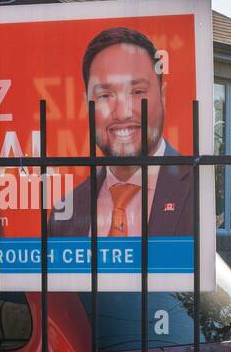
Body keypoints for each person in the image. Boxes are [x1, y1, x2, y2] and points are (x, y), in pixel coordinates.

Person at [51, 27, 193, 237]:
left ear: (163, 96)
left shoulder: (198, 191)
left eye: (137, 92)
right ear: (86, 103)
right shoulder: (64, 213)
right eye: (105, 95)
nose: (122, 112)